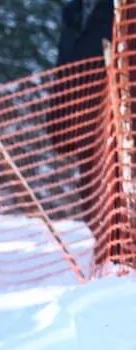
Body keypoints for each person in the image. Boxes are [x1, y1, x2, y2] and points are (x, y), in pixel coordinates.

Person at [50, 0, 116, 263]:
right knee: (96, 201)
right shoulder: (76, 17)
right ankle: (110, 261)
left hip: (108, 126)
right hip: (86, 130)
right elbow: (67, 72)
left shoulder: (110, 16)